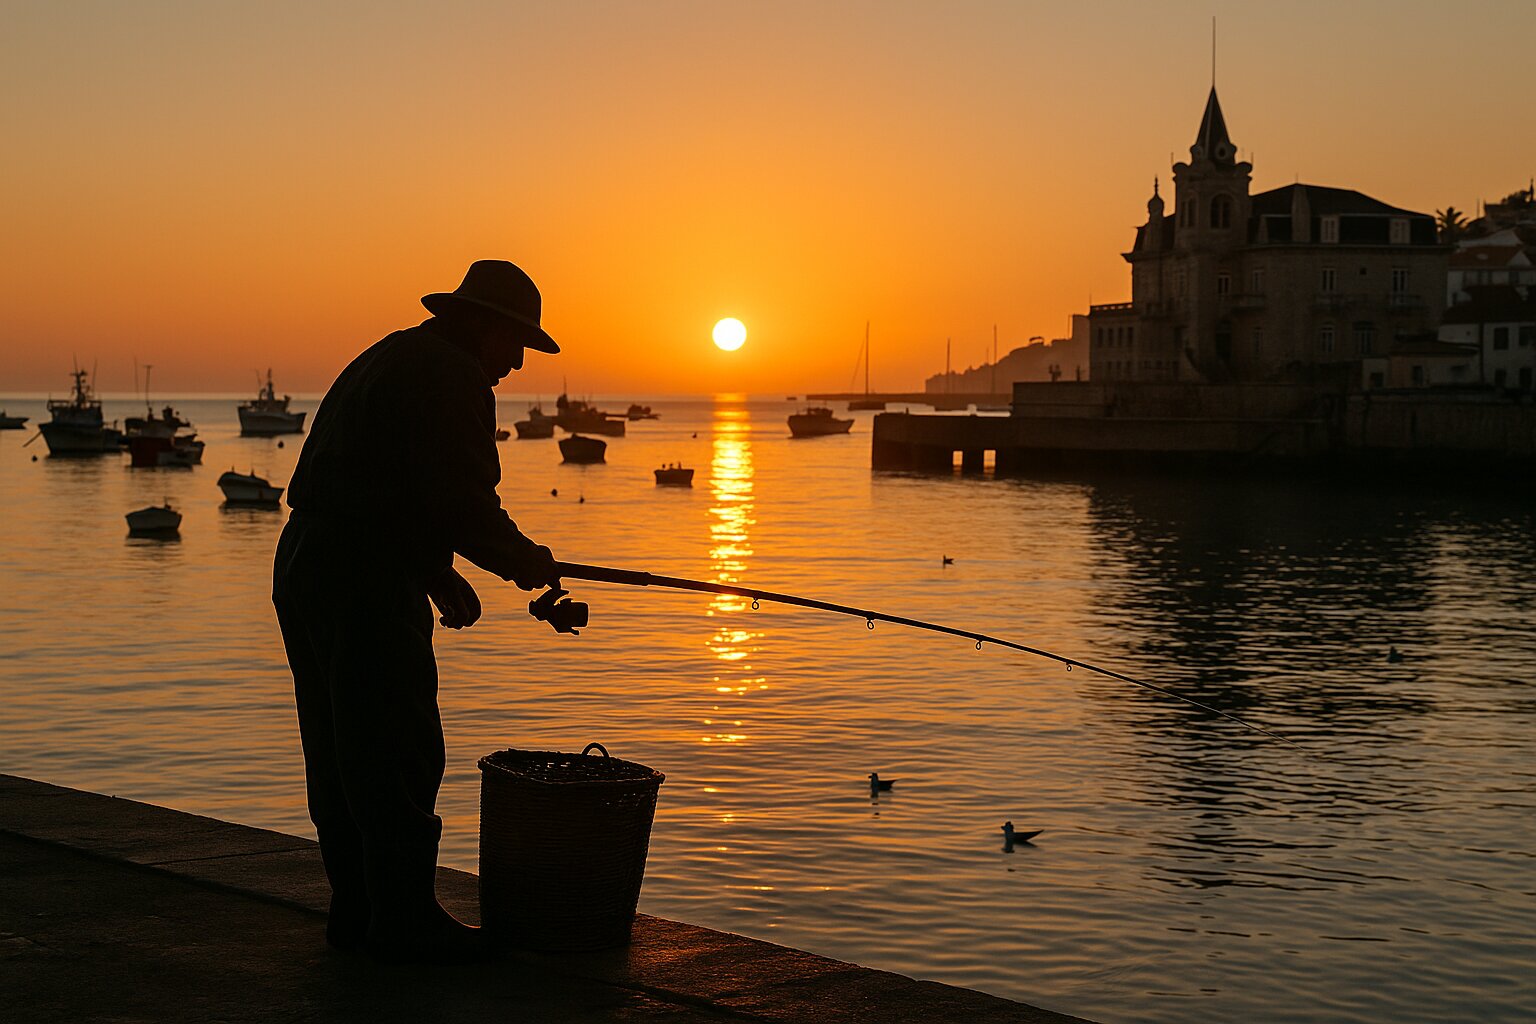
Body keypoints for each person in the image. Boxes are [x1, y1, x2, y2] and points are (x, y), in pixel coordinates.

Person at [272, 260, 561, 963]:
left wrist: (433, 571)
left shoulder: (395, 353)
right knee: (398, 749)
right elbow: (463, 502)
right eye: (517, 342)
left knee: (343, 753)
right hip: (359, 577)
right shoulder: (453, 375)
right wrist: (527, 560)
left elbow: (390, 485)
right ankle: (403, 922)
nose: (517, 364)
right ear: (485, 325)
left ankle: (360, 912)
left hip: (308, 561)